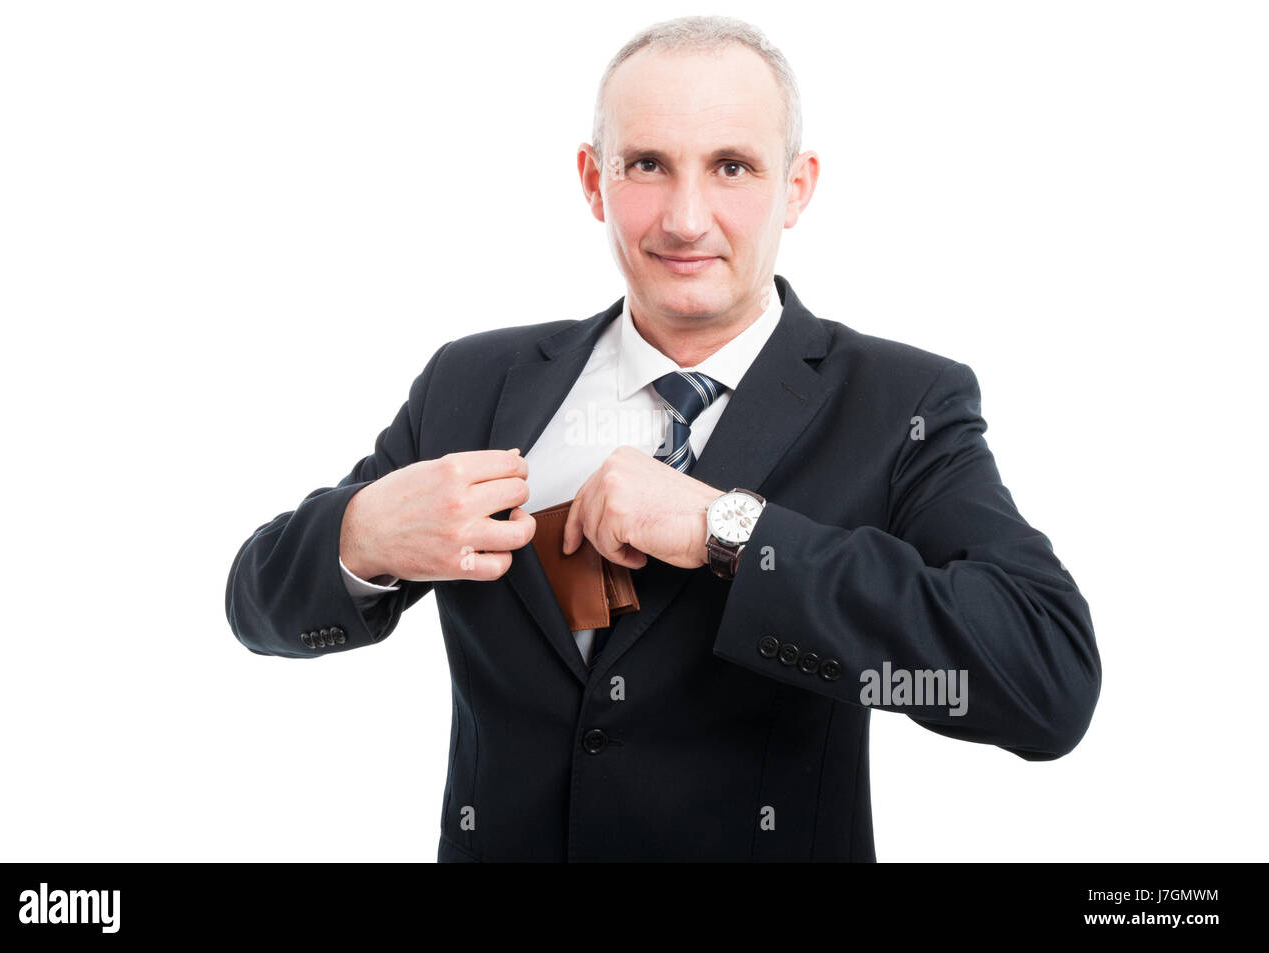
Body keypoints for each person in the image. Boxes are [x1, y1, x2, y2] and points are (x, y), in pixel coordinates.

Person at [225, 15, 1101, 862]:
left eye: (732, 166)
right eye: (647, 163)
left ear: (795, 187)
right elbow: (260, 606)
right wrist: (363, 537)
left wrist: (729, 531)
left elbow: (1046, 681)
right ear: (592, 178)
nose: (686, 218)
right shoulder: (474, 380)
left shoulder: (900, 402)